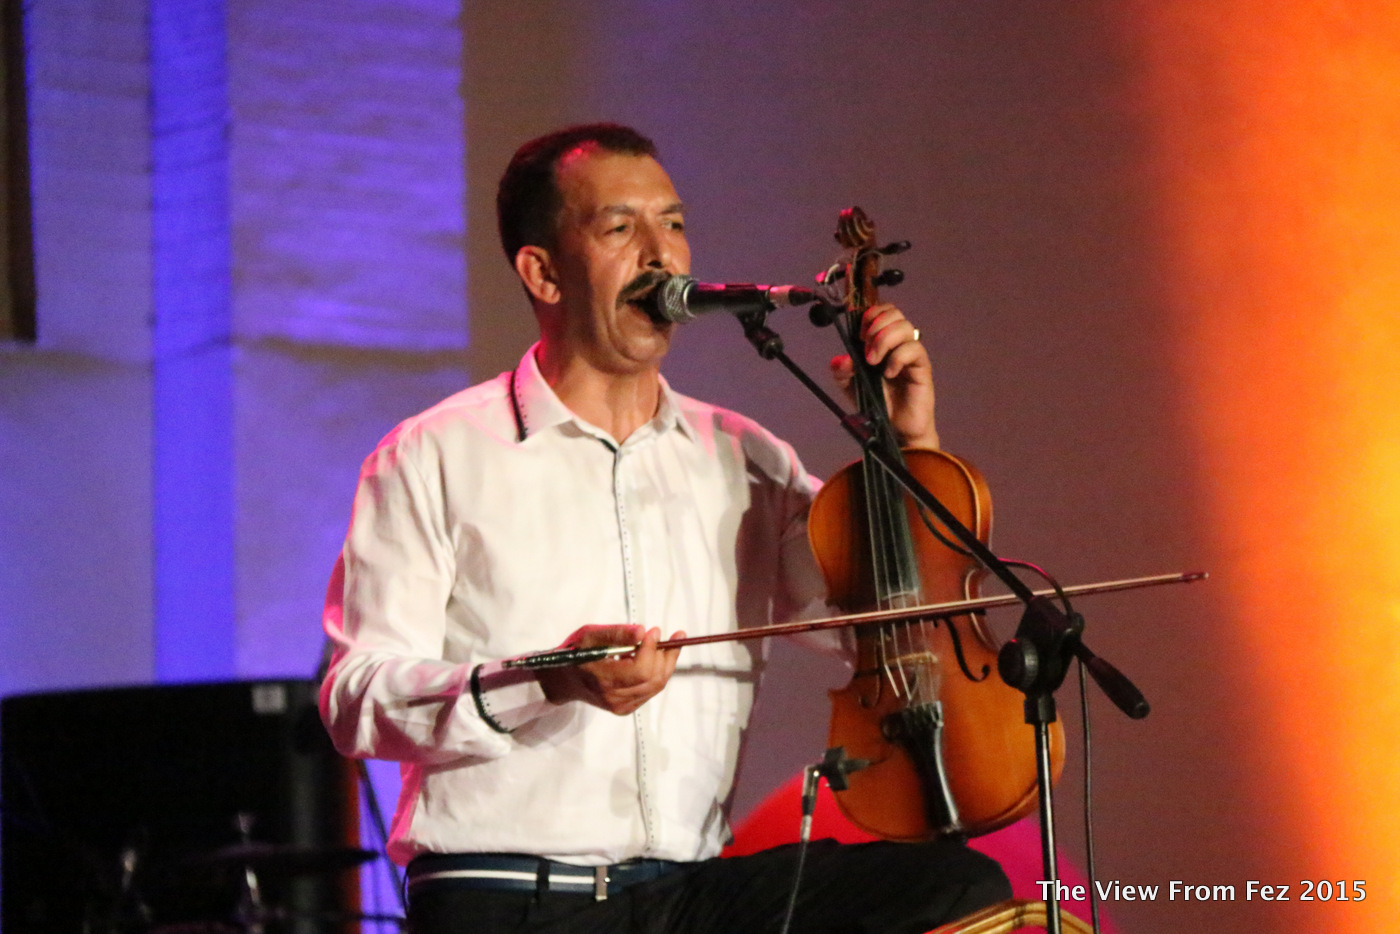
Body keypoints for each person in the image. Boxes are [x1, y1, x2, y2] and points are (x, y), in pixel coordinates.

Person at [319, 123, 1011, 933]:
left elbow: (881, 629)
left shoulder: (746, 457)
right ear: (542, 271)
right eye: (621, 228)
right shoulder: (434, 453)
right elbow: (354, 699)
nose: (663, 256)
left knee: (952, 885)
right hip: (507, 895)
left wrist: (901, 445)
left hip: (686, 894)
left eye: (674, 224)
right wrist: (548, 679)